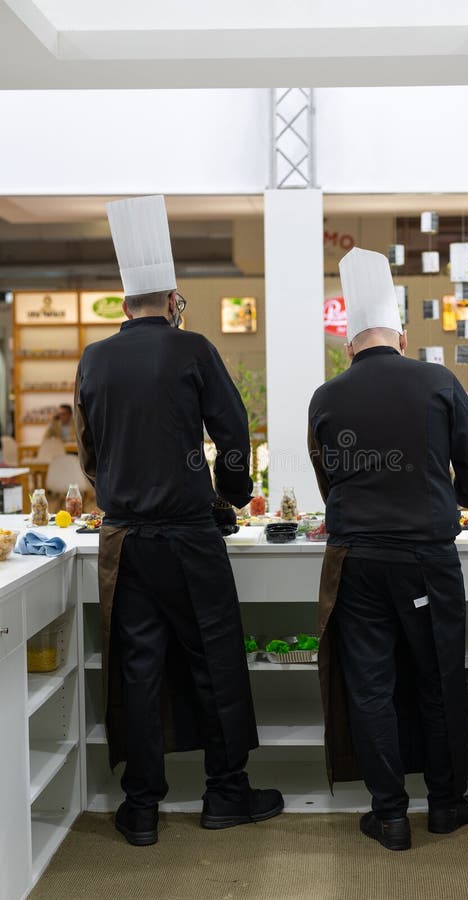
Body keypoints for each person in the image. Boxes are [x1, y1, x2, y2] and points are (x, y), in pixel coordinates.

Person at [75, 195, 282, 847]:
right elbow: (234, 430)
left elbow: (89, 451)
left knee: (138, 670)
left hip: (124, 540)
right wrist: (233, 492)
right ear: (172, 299)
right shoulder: (193, 349)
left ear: (123, 302)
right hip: (190, 537)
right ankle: (226, 795)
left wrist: (117, 487)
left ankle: (141, 808)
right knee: (215, 660)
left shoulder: (93, 360)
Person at [308, 247, 468, 852]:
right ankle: (445, 805)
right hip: (424, 560)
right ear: (403, 337)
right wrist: (467, 499)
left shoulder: (325, 398)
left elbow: (329, 480)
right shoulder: (438, 382)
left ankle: (389, 816)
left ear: (348, 345)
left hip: (355, 562)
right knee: (438, 678)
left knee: (370, 686)